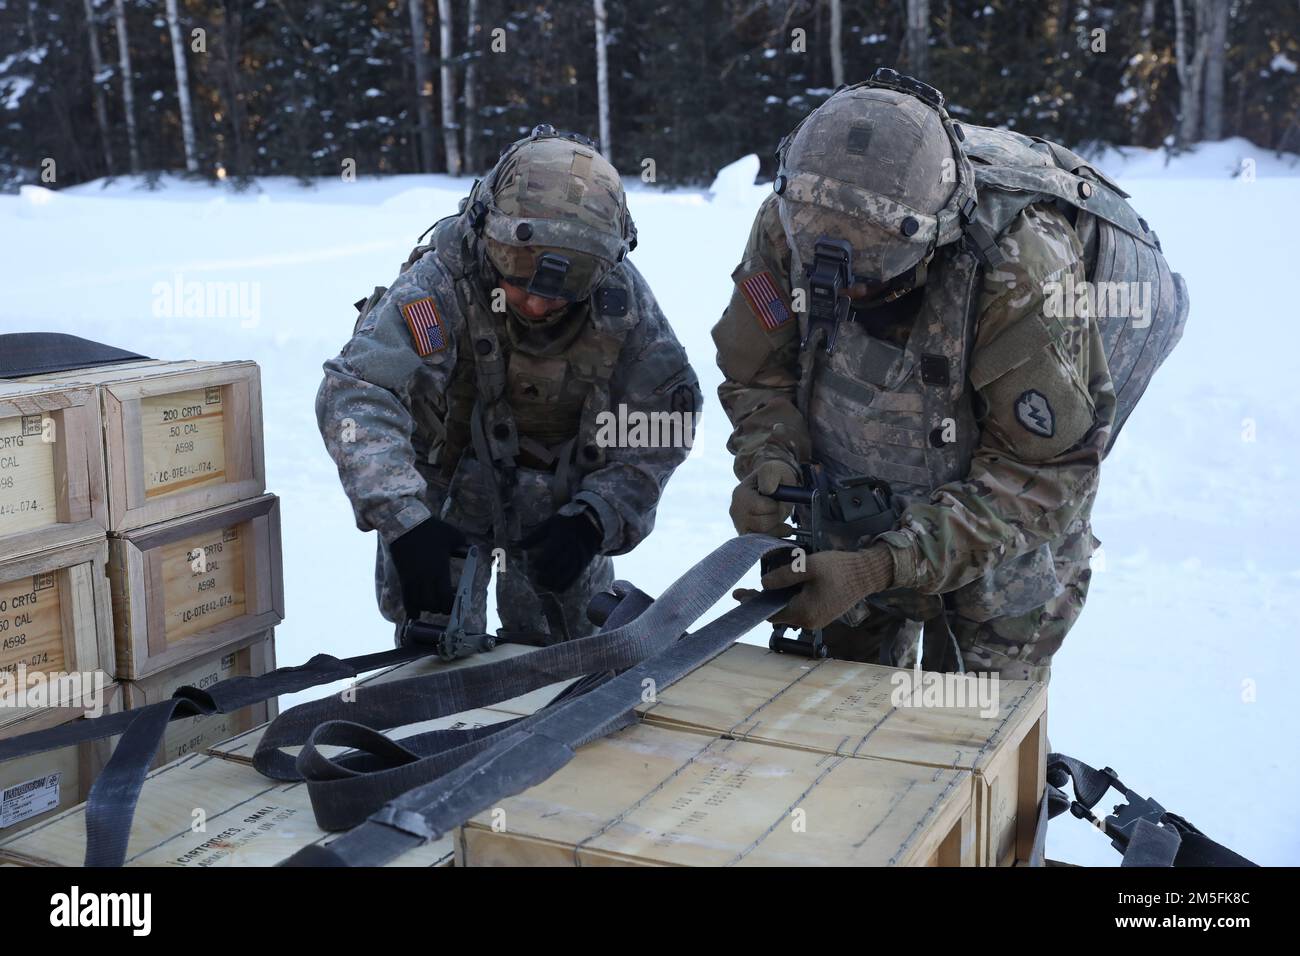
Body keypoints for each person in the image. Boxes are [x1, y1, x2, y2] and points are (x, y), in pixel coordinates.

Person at [716, 70, 1184, 682]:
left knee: (972, 739)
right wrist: (769, 460)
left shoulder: (1020, 267)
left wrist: (882, 567)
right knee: (837, 721)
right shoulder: (796, 218)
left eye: (871, 279)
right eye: (834, 279)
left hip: (1003, 542)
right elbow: (756, 372)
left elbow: (1043, 472)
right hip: (856, 502)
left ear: (931, 241)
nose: (848, 294)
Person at [318, 125, 700, 647]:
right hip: (443, 502)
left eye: (563, 294)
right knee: (433, 663)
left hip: (561, 507)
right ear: (488, 238)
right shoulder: (441, 282)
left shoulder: (620, 302)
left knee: (569, 661)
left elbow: (664, 419)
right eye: (519, 280)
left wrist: (598, 516)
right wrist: (404, 519)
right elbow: (358, 394)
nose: (539, 306)